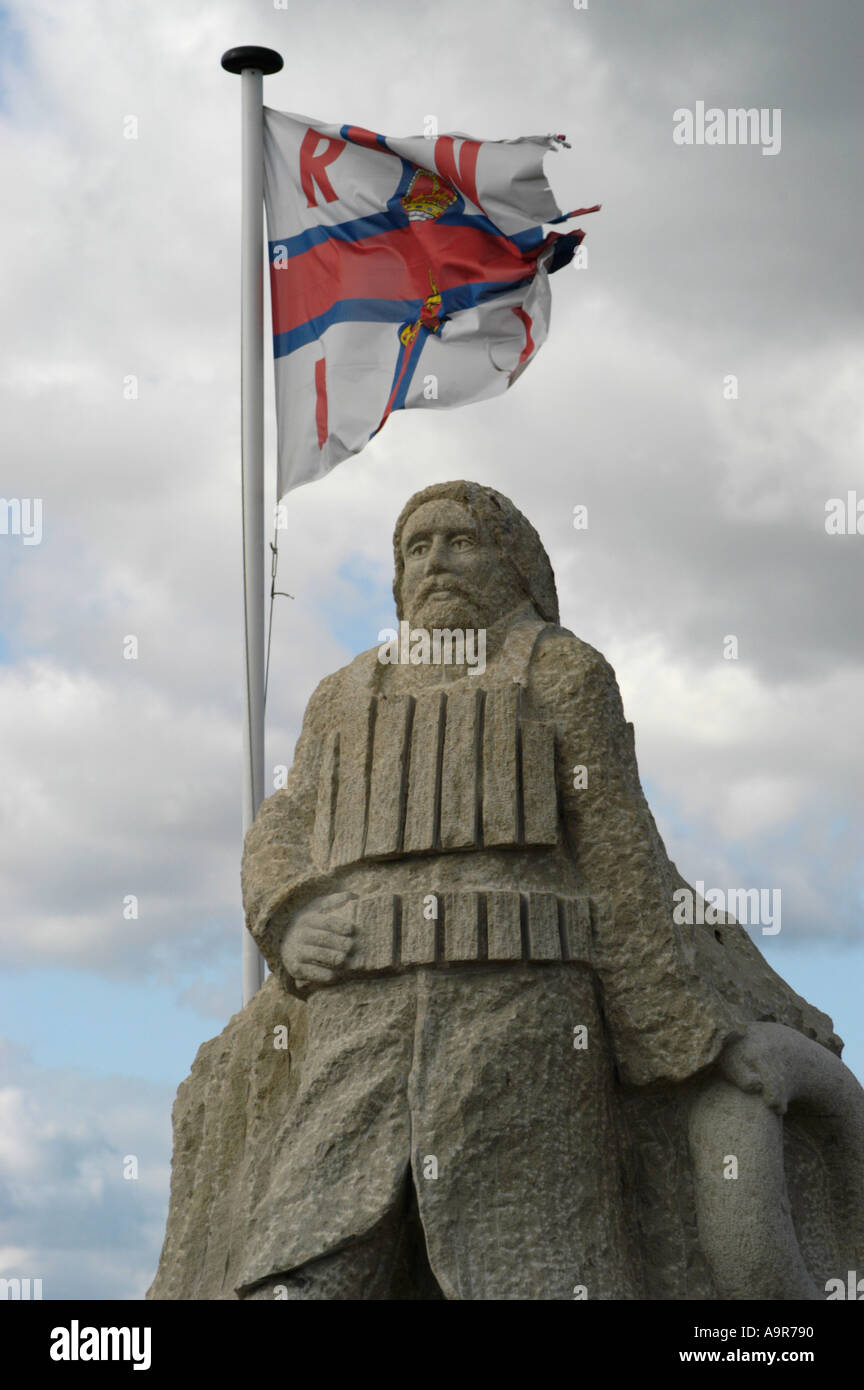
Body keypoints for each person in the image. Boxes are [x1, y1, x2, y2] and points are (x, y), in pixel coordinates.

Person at [234, 480, 840, 1300]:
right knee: (307, 1260)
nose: (437, 562)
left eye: (461, 541)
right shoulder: (344, 694)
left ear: (515, 566)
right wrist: (288, 907)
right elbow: (286, 816)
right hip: (359, 1018)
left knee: (536, 1263)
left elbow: (621, 862)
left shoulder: (563, 672)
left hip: (521, 1013)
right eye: (417, 547)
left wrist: (688, 1039)